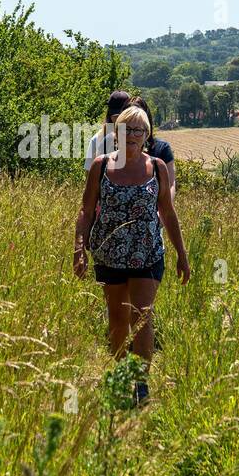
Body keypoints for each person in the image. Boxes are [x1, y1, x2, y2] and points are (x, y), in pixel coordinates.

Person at [74, 105, 189, 406]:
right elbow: (86, 210)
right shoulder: (101, 166)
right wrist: (79, 249)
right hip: (109, 254)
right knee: (117, 318)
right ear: (117, 133)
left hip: (148, 252)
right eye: (128, 130)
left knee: (142, 316)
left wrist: (182, 254)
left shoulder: (157, 167)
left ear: (147, 135)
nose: (133, 136)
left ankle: (140, 384)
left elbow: (168, 211)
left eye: (140, 131)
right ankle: (121, 372)